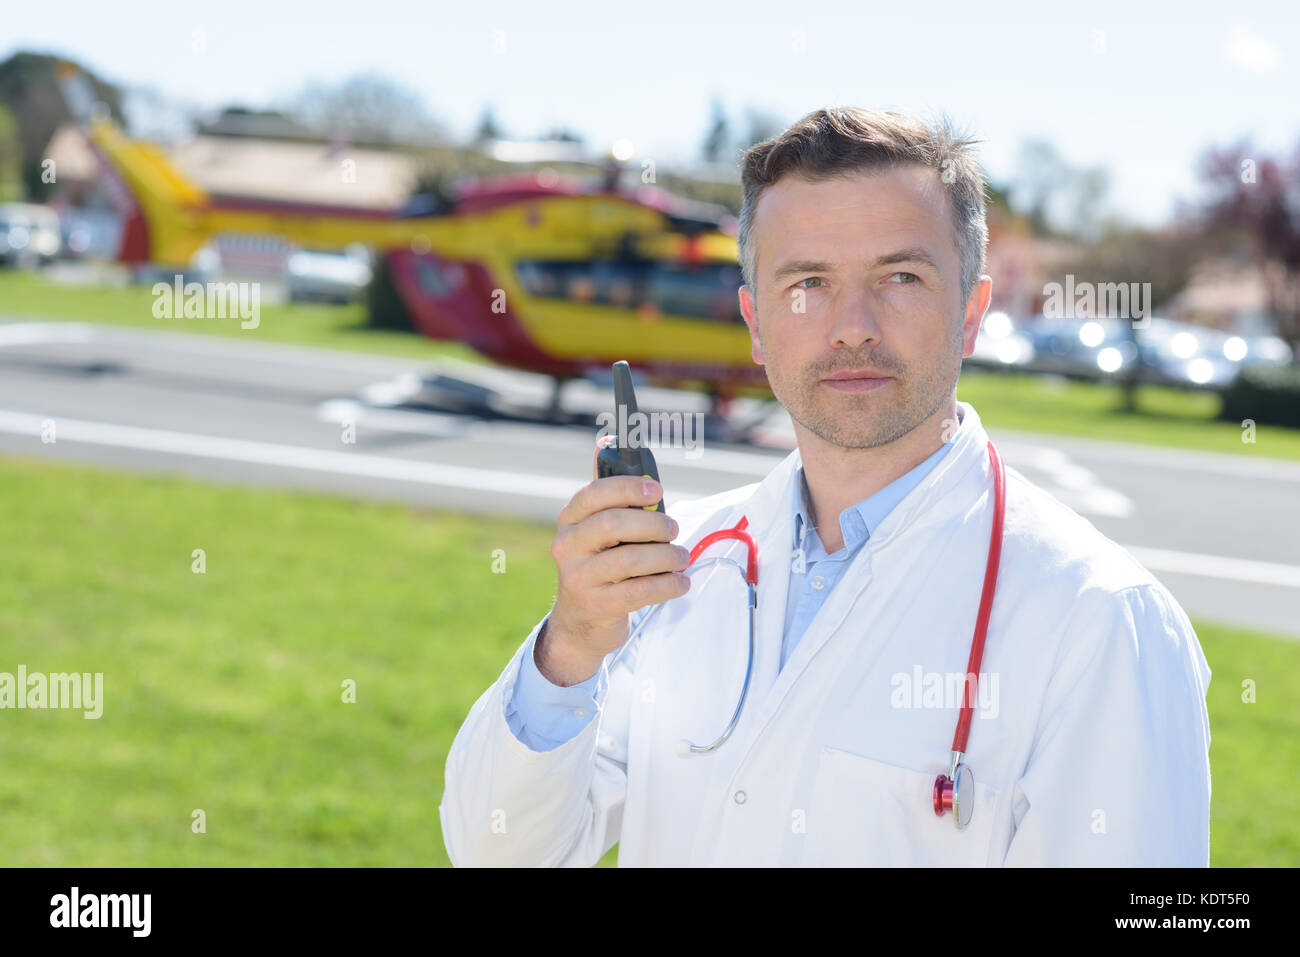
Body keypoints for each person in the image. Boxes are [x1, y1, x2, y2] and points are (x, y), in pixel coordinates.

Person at [439, 107, 1212, 867]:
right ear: (754, 322)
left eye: (901, 276)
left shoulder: (1103, 622)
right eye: (808, 281)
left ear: (972, 312)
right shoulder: (668, 573)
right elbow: (496, 850)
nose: (852, 325)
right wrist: (570, 646)